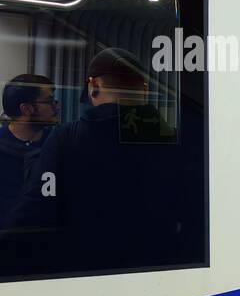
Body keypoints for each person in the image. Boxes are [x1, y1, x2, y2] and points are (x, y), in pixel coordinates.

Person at [4, 48, 196, 275]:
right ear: (145, 91)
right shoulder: (178, 143)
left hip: (84, 273)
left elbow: (37, 210)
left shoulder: (66, 140)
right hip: (163, 270)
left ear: (94, 86)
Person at [0, 74, 57, 222]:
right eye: (49, 102)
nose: (55, 107)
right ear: (26, 109)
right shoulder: (2, 144)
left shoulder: (56, 144)